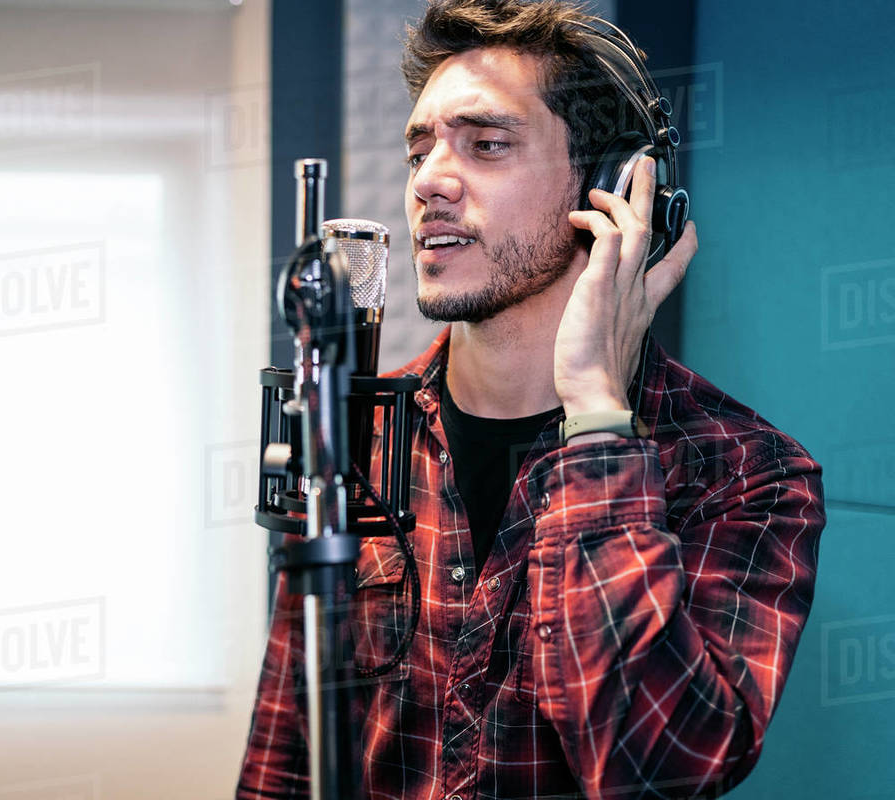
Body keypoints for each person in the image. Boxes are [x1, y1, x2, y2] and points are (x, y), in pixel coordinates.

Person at [236, 1, 827, 798]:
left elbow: (657, 773)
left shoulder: (745, 472)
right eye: (420, 153)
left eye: (486, 145)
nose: (430, 184)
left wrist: (593, 415)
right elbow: (283, 753)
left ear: (612, 189)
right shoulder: (354, 434)